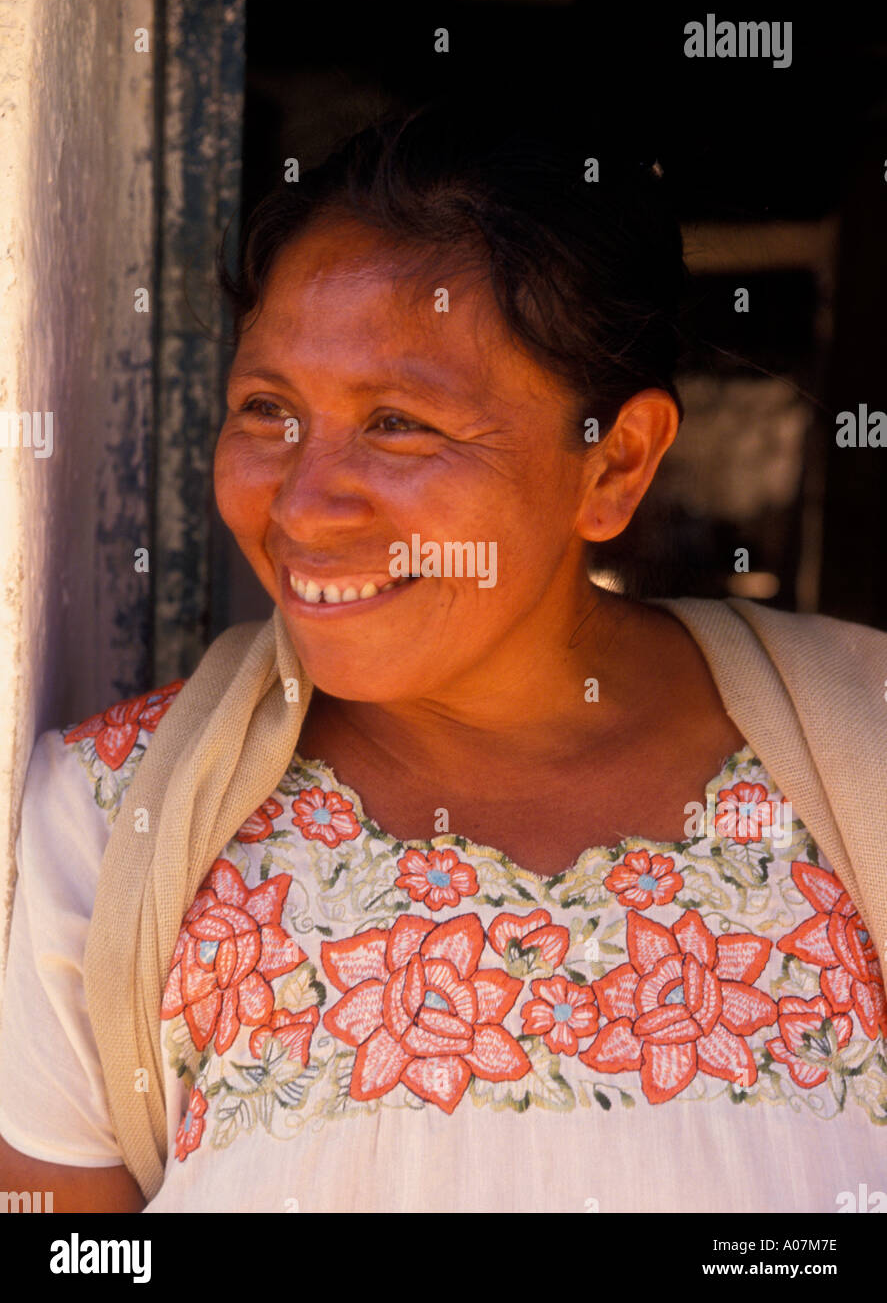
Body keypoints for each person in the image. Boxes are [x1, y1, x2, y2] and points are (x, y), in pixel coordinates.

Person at [1, 105, 885, 1213]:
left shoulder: (865, 760)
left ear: (613, 464)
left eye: (399, 424)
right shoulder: (108, 821)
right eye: (268, 408)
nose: (305, 503)